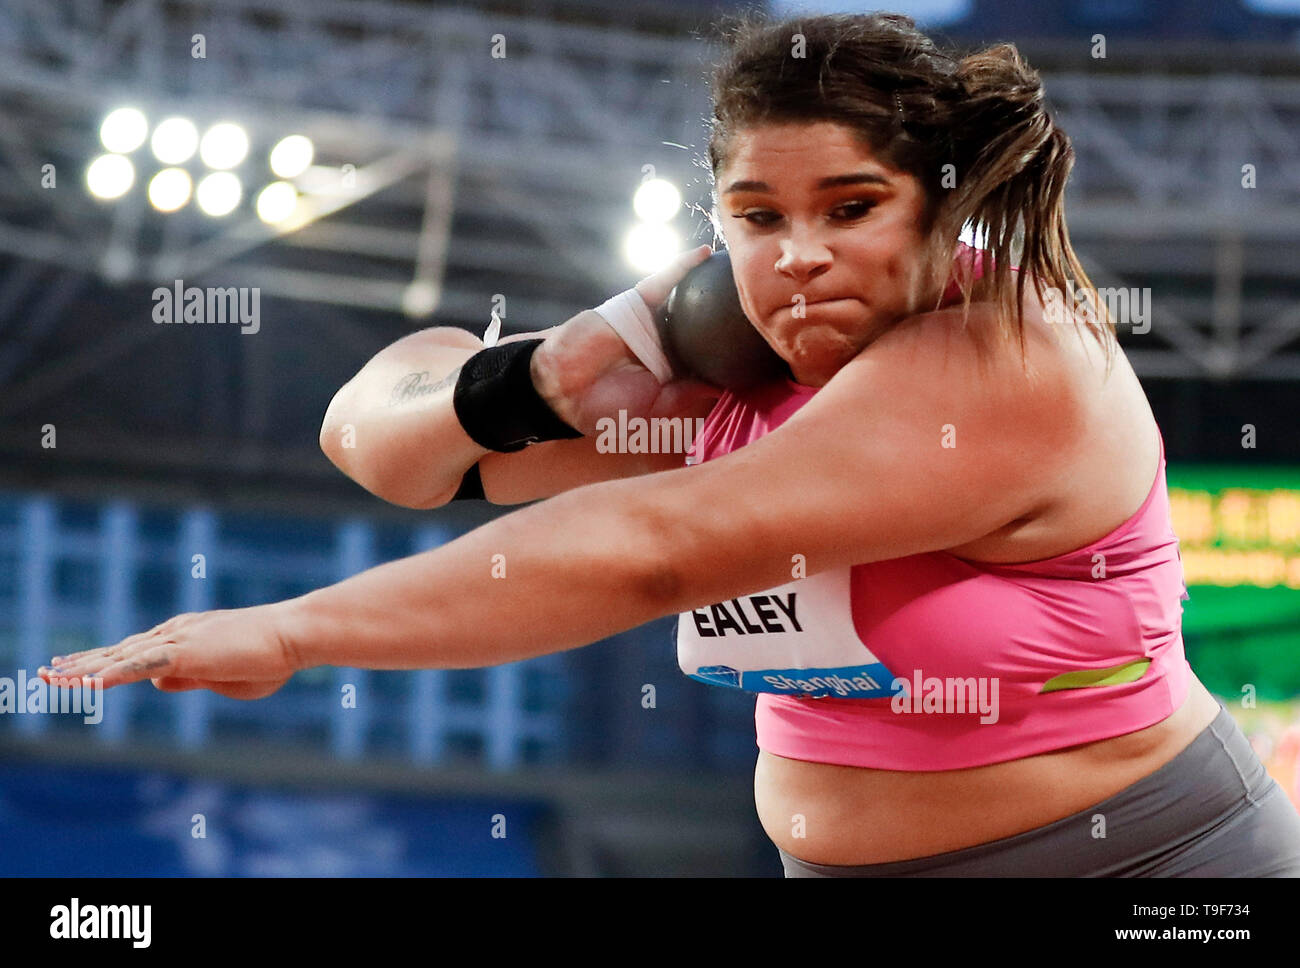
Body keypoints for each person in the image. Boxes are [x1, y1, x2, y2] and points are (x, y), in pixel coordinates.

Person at [40, 11, 1300, 877]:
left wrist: (295, 629)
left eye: (851, 208)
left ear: (942, 206)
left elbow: (653, 550)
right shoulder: (719, 371)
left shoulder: (1004, 361)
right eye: (758, 215)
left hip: (1148, 868)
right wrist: (533, 374)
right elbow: (384, 438)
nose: (798, 252)